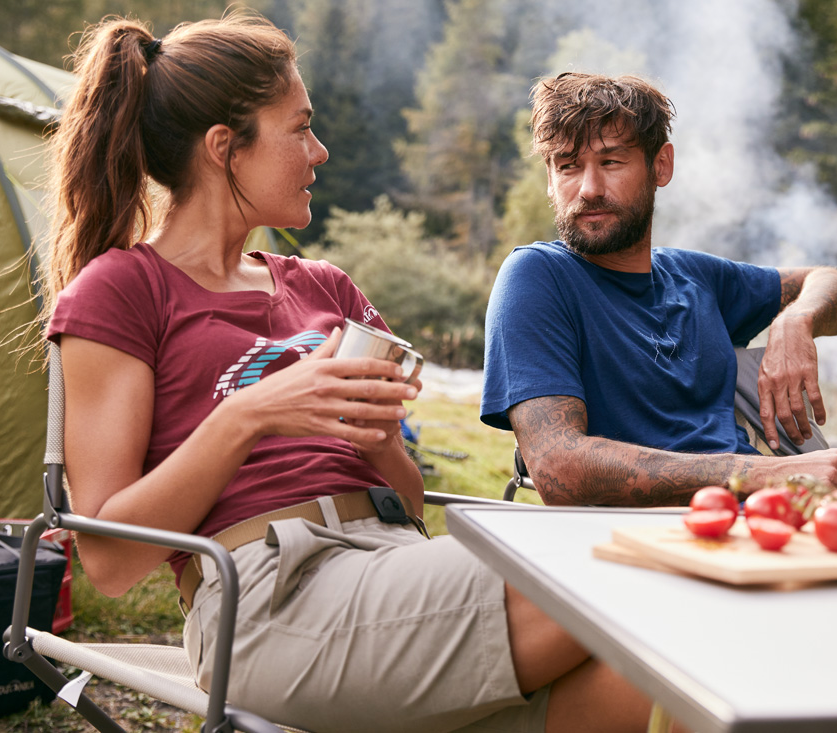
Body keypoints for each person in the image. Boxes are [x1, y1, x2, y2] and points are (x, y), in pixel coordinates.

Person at [44, 16, 674, 733]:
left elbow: (406, 499)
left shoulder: (325, 288)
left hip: (393, 564)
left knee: (621, 660)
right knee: (639, 564)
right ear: (226, 150)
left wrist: (376, 440)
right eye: (299, 128)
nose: (320, 149)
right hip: (269, 600)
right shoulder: (121, 289)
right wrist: (249, 414)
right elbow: (108, 556)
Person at [481, 72, 837, 516]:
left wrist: (796, 321)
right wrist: (759, 474)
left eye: (610, 162)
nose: (587, 188)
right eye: (567, 166)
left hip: (785, 511)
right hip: (683, 534)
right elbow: (559, 468)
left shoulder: (695, 278)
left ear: (661, 167)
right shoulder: (538, 277)